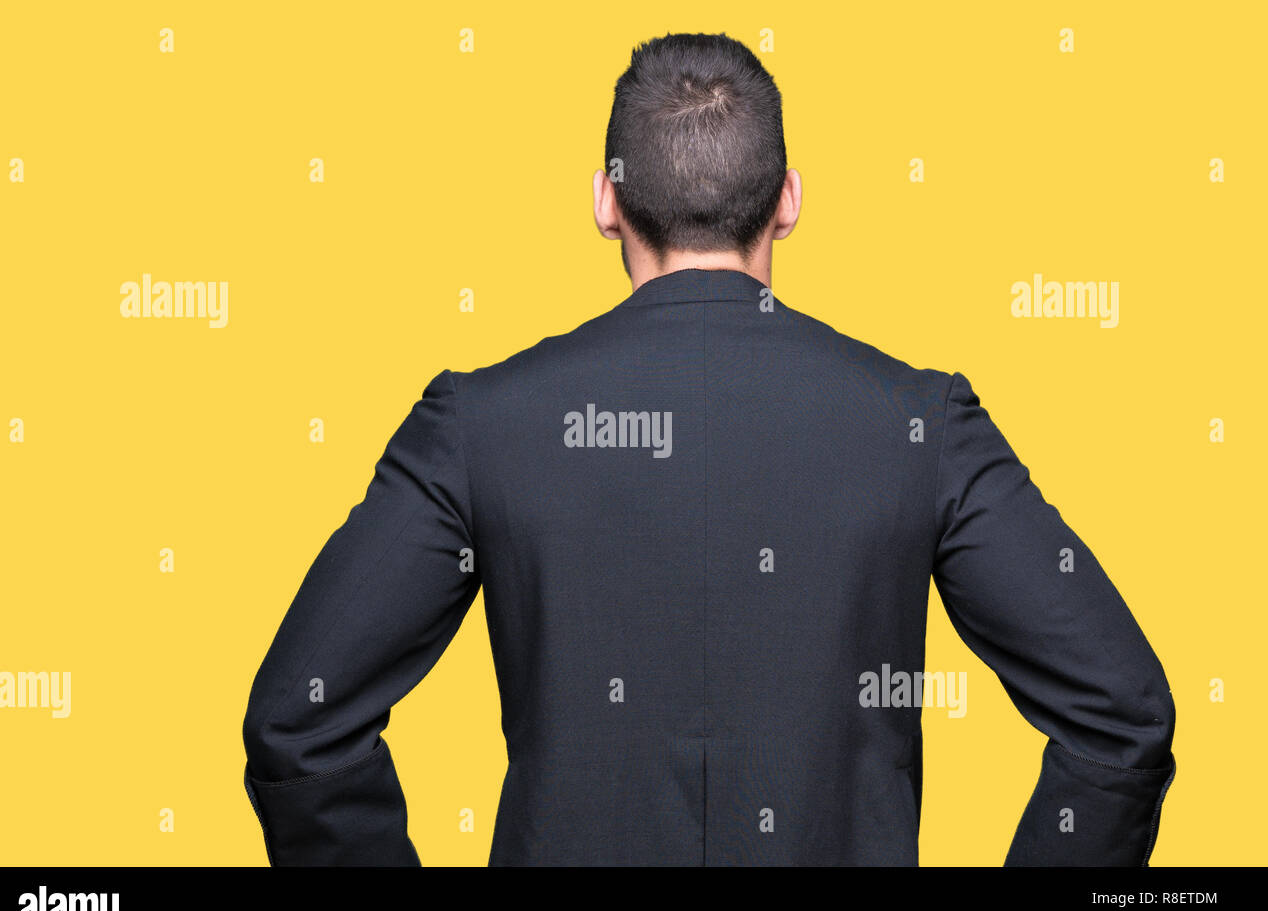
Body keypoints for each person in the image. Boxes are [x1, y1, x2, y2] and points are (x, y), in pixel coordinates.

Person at [241, 32, 1176, 866]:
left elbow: (299, 724)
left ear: (606, 201)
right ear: (789, 200)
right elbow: (1121, 716)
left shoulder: (479, 422)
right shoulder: (920, 420)